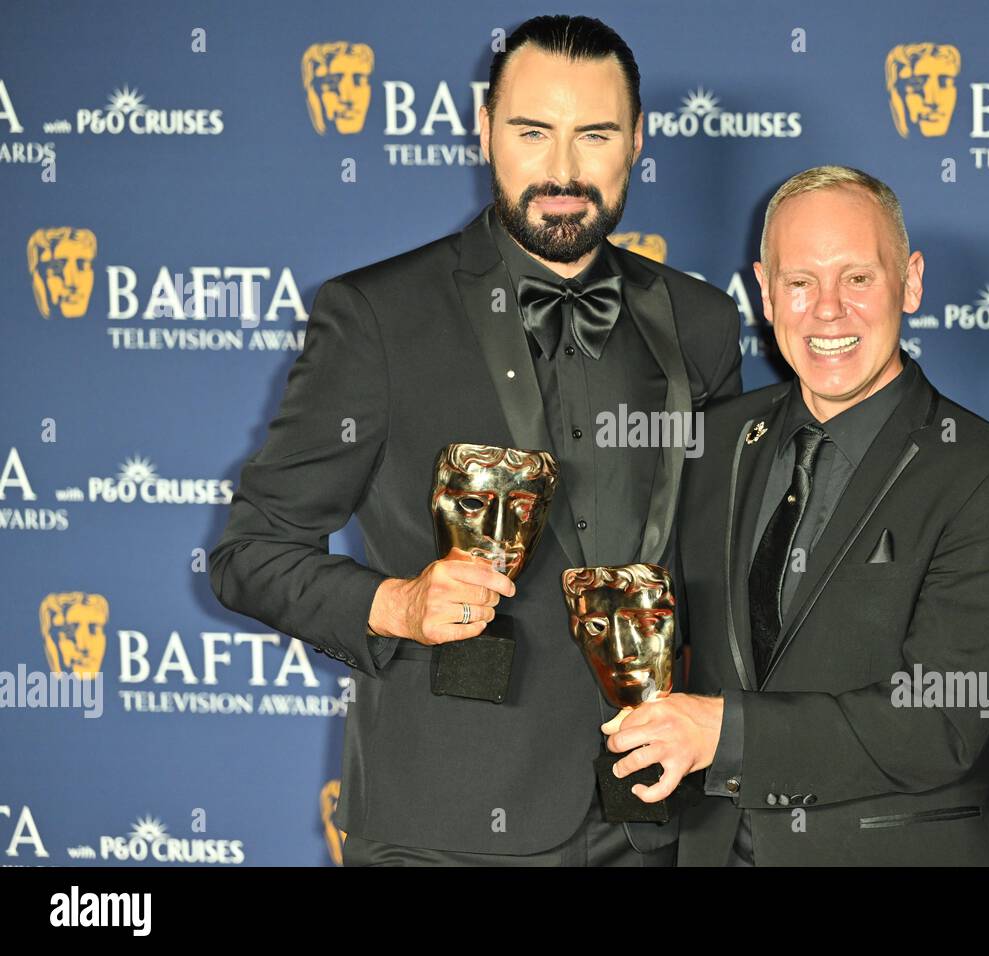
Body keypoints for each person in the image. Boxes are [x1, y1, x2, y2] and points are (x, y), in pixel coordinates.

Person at [208, 14, 742, 866]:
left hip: (651, 816)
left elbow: (714, 559)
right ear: (484, 130)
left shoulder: (703, 323)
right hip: (443, 830)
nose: (563, 171)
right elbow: (252, 553)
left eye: (594, 134)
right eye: (533, 132)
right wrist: (400, 605)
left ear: (637, 141)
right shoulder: (375, 316)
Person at [600, 165, 989, 865]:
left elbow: (937, 721)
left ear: (911, 281)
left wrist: (724, 732)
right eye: (800, 282)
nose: (828, 310)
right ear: (765, 291)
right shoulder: (711, 441)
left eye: (858, 278)